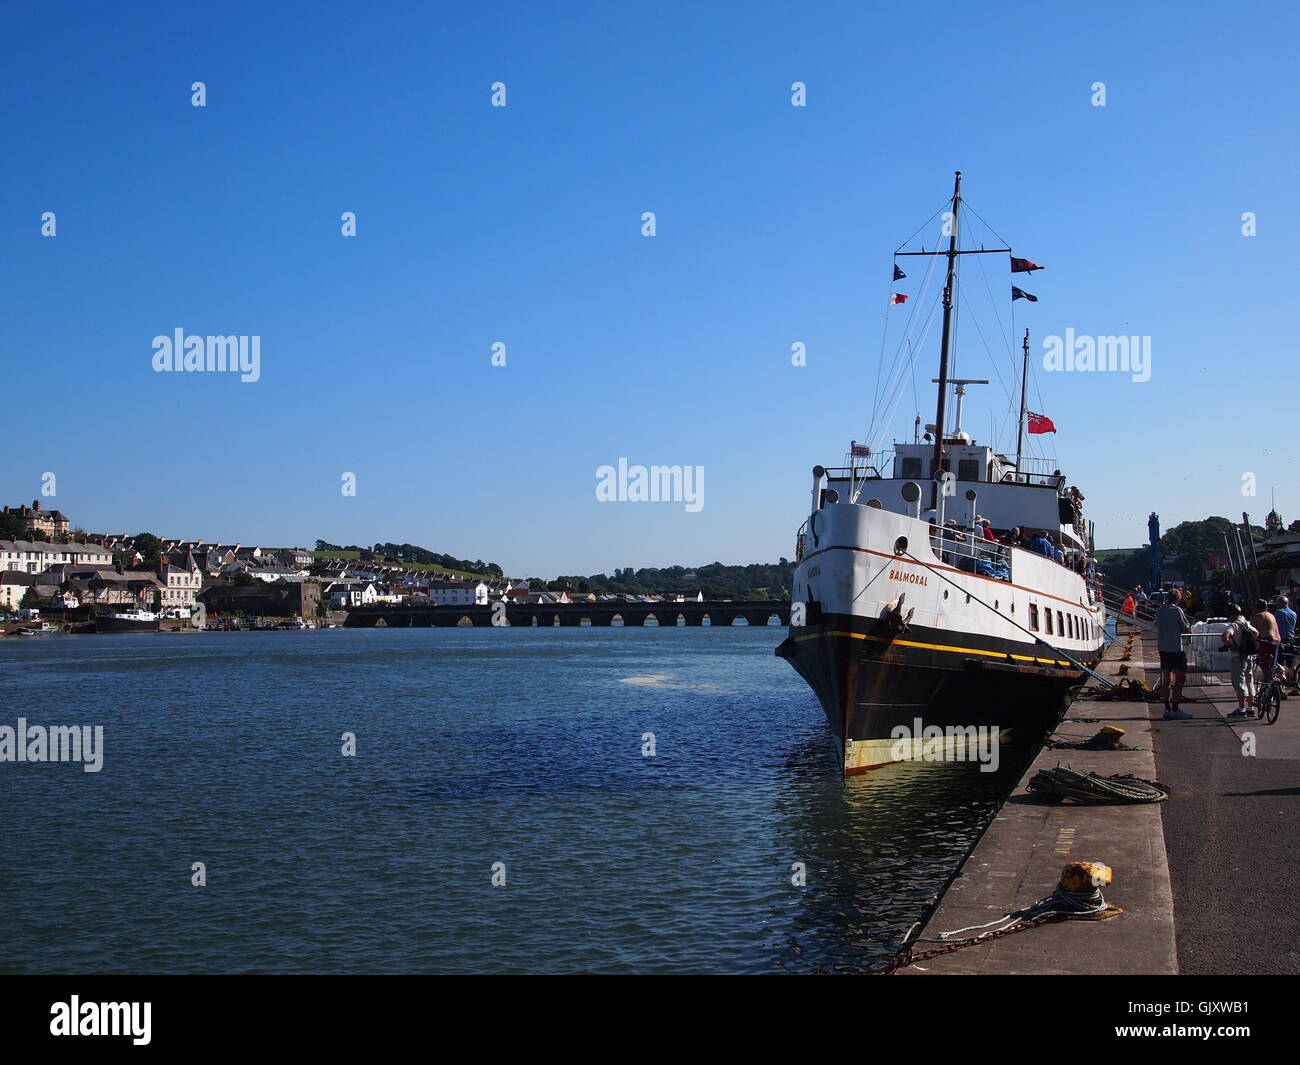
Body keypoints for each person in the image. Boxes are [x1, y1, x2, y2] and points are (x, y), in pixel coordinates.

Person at [1155, 589, 1193, 718]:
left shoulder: (1160, 610)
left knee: (1166, 678)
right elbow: (1185, 627)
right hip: (1175, 648)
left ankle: (1167, 708)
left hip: (1163, 648)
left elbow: (1156, 625)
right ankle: (1176, 709)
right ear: (1177, 599)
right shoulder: (1177, 610)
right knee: (1180, 679)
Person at [1221, 604, 1259, 717]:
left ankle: (1241, 709)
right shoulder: (1245, 623)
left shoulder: (1234, 625)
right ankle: (1250, 708)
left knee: (1239, 682)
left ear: (1231, 614)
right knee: (1249, 680)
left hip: (1237, 657)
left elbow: (1225, 636)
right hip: (1249, 656)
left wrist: (1231, 645)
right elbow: (1256, 633)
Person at [1252, 598, 1282, 696]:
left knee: (1265, 666)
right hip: (1276, 642)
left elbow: (1253, 633)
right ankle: (1279, 686)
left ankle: (1266, 687)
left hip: (1266, 641)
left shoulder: (1257, 616)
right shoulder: (1271, 615)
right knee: (1273, 665)